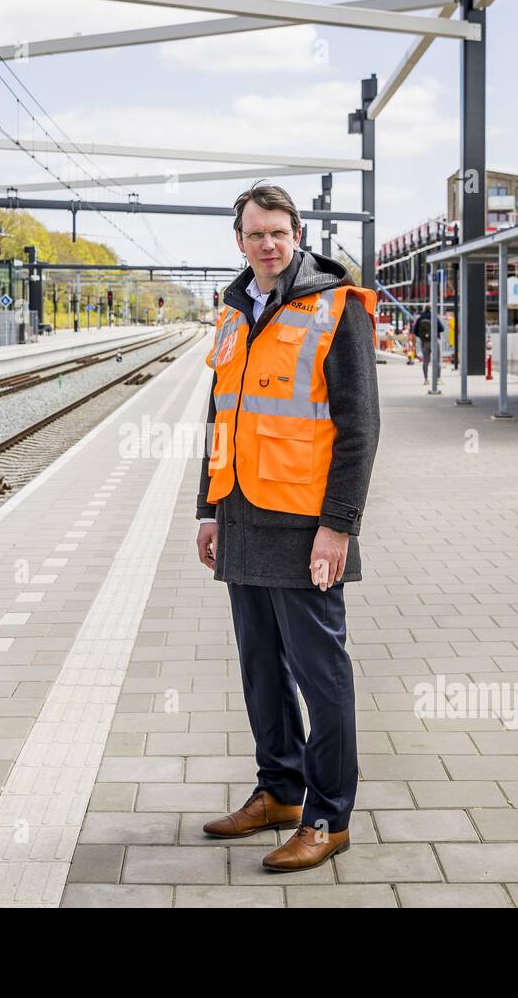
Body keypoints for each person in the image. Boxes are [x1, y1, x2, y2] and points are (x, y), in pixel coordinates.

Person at [196, 184, 381, 872]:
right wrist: (207, 508)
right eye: (255, 234)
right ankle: (279, 789)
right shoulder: (231, 312)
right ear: (238, 240)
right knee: (259, 668)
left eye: (278, 231)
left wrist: (339, 526)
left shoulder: (338, 307)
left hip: (306, 527)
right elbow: (221, 415)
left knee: (320, 673)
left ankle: (328, 815)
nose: (267, 244)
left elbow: (360, 428)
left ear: (297, 232)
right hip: (242, 517)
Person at [412, 308, 445, 384]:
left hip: (424, 342)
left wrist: (423, 336)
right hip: (435, 341)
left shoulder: (420, 318)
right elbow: (442, 329)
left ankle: (426, 379)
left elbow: (415, 331)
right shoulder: (434, 317)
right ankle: (438, 379)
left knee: (425, 361)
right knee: (437, 361)